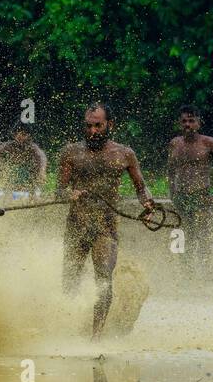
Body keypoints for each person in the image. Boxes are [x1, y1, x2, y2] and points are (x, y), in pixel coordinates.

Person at [56, 102, 155, 337]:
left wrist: (148, 205)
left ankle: (96, 336)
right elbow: (58, 191)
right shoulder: (71, 152)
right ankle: (69, 328)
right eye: (88, 126)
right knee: (70, 279)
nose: (92, 131)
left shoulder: (124, 153)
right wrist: (70, 194)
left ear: (110, 125)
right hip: (77, 225)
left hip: (105, 227)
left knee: (104, 278)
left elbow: (141, 188)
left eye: (98, 126)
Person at [167, 105, 213, 263]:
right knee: (182, 237)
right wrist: (172, 193)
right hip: (181, 198)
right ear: (180, 123)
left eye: (191, 121)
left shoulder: (209, 143)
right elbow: (170, 170)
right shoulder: (175, 143)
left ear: (199, 123)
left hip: (202, 196)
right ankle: (186, 273)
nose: (187, 125)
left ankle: (206, 274)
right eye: (184, 121)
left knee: (204, 237)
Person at [0, 125, 48, 195]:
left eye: (23, 135)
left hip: (30, 175)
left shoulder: (32, 147)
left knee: (33, 172)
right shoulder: (9, 145)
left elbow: (42, 157)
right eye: (18, 134)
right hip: (13, 174)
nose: (20, 137)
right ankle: (7, 196)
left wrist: (42, 171)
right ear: (14, 135)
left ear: (28, 136)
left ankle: (32, 196)